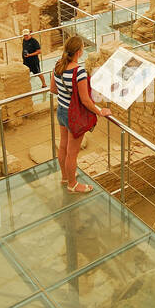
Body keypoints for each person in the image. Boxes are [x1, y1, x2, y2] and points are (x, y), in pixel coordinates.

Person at [50, 34, 109, 194]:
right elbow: (85, 101)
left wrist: (66, 95)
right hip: (73, 115)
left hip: (61, 111)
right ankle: (73, 184)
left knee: (63, 146)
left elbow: (53, 89)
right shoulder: (79, 72)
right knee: (72, 152)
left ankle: (65, 176)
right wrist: (100, 111)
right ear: (79, 51)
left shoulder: (57, 65)